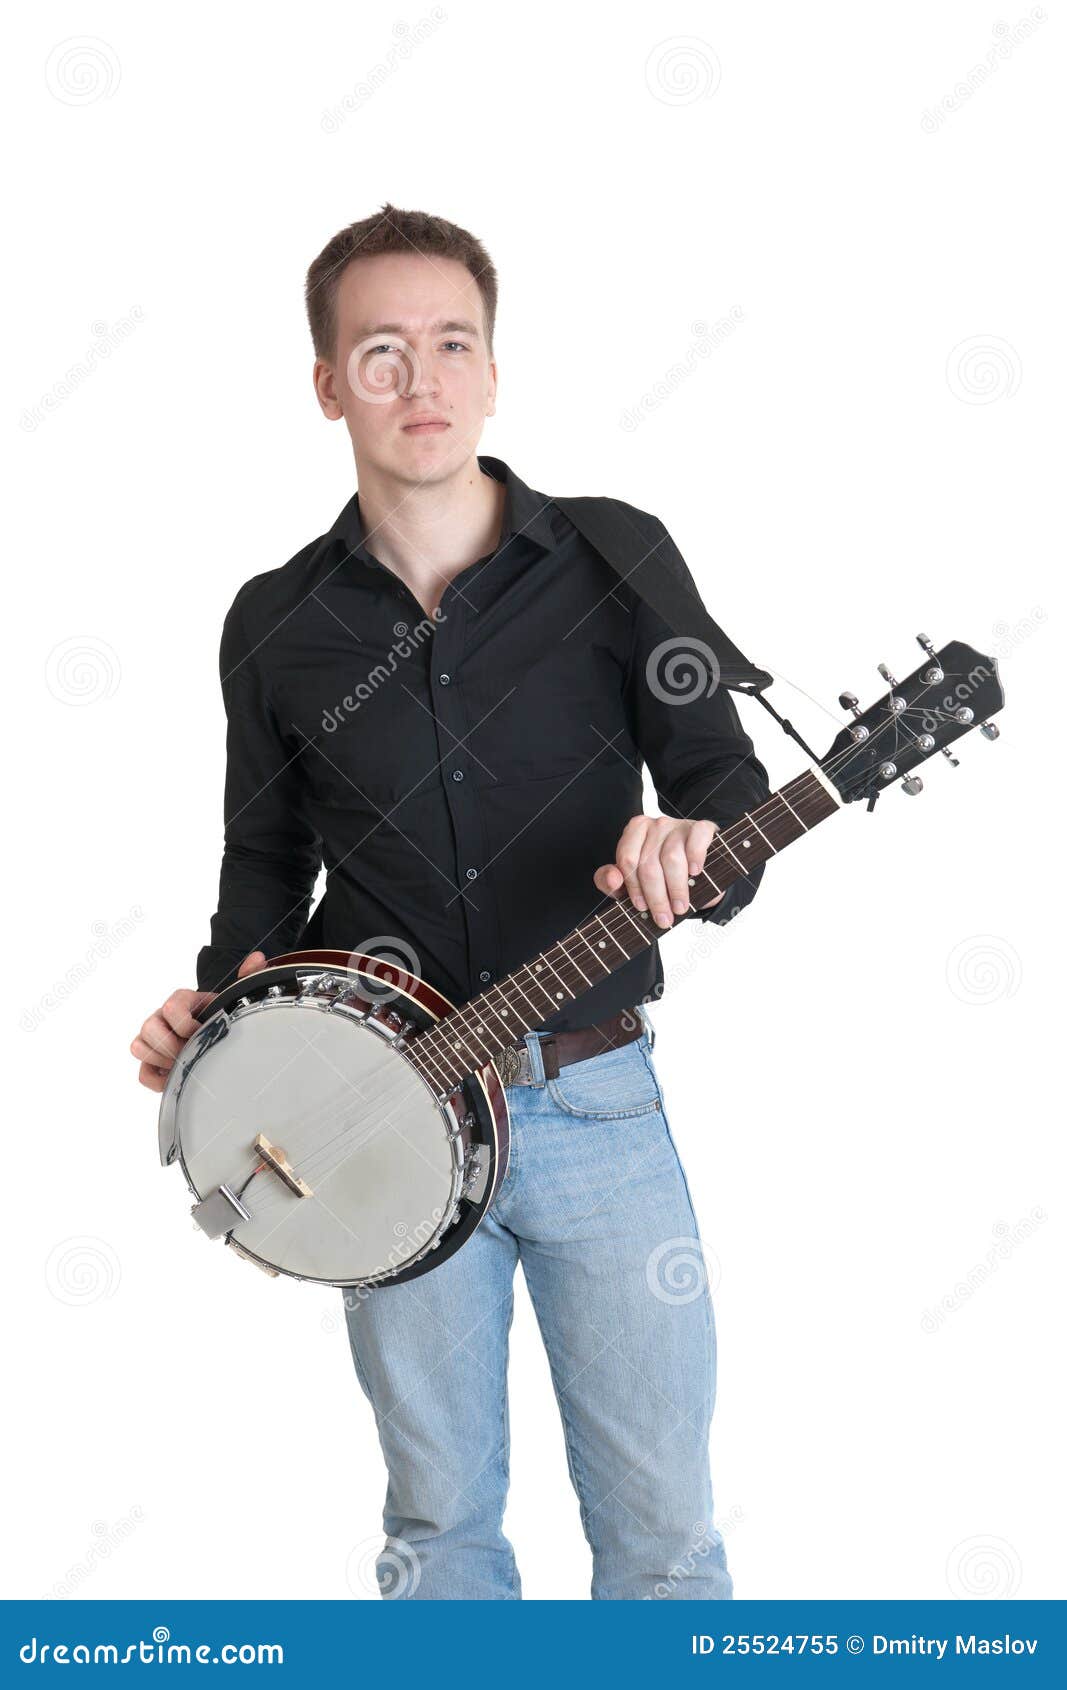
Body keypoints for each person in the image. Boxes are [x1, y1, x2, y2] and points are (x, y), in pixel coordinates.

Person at [131, 204, 771, 1600]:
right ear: (328, 384)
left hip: (597, 1103)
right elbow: (263, 863)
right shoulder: (274, 621)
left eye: (452, 344)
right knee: (437, 1534)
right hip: (375, 1119)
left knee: (664, 1538)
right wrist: (225, 1020)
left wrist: (692, 844)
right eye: (380, 352)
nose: (420, 380)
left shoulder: (616, 558)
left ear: (492, 370)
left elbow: (728, 795)